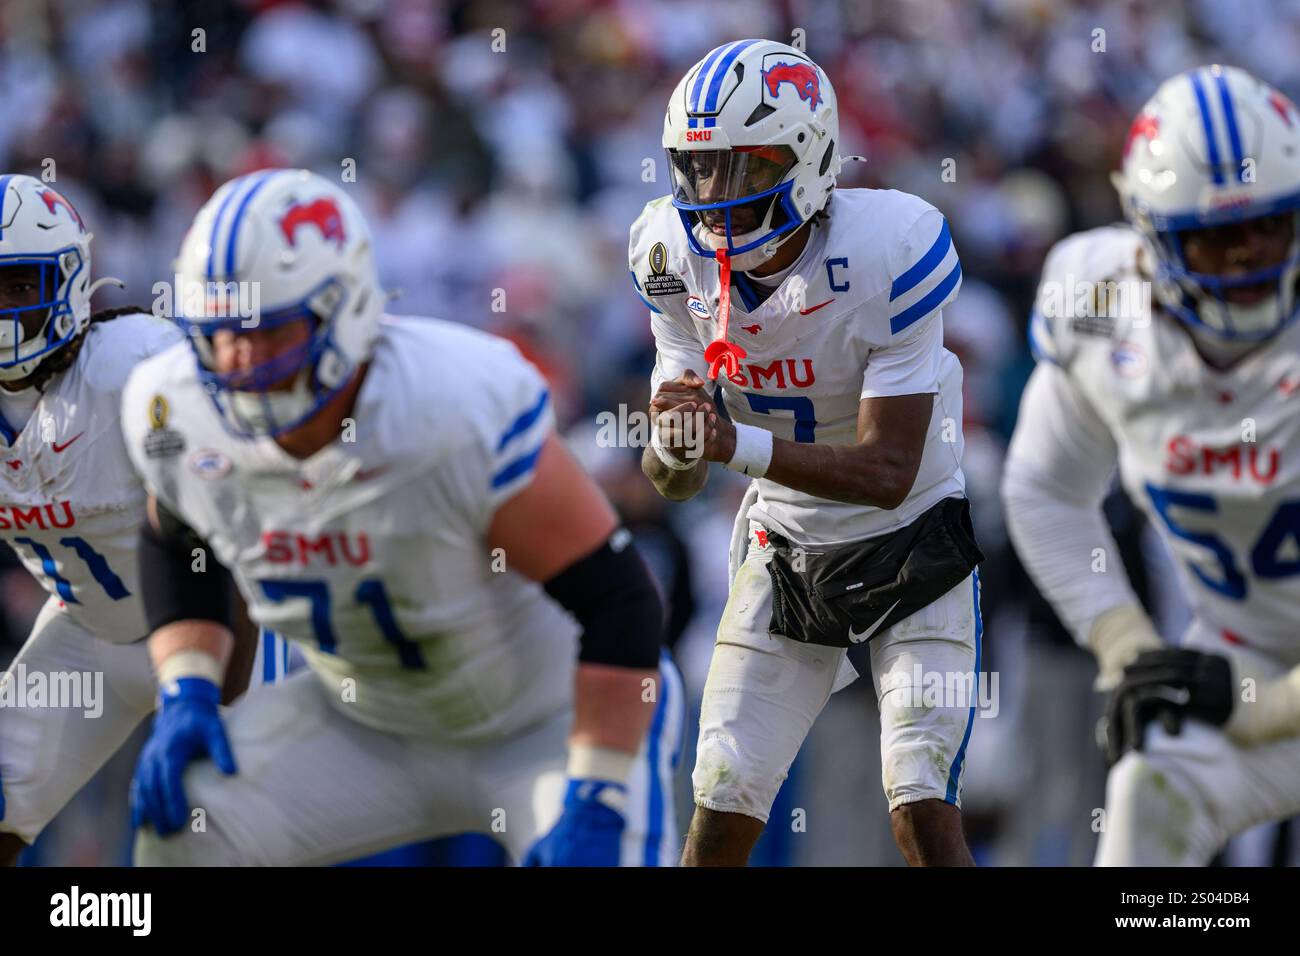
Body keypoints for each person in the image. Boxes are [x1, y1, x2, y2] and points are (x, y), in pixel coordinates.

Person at [125, 168, 674, 866]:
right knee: (190, 818)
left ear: (344, 310)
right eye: (222, 333)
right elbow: (173, 537)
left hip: (545, 722)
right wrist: (188, 689)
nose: (243, 361)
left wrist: (595, 793)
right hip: (364, 720)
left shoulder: (449, 405)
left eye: (271, 331)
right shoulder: (173, 406)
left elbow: (621, 600)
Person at [633, 40, 983, 866]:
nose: (715, 196)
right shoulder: (669, 258)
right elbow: (672, 482)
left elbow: (887, 472)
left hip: (913, 542)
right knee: (720, 802)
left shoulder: (888, 249)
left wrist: (735, 444)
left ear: (809, 159)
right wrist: (675, 440)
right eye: (700, 169)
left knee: (922, 809)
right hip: (785, 547)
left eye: (744, 168)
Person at [1003, 65, 1300, 865]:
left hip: (1261, 684)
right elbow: (1045, 491)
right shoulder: (1101, 303)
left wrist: (1261, 707)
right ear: (1150, 235)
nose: (1245, 261)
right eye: (1213, 237)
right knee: (1150, 795)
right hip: (1252, 653)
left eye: (1267, 229)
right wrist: (1126, 642)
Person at [0, 173, 201, 865]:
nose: (0, 310)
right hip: (85, 635)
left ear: (66, 280)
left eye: (17, 287)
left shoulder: (134, 365)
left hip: (220, 629)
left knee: (237, 834)